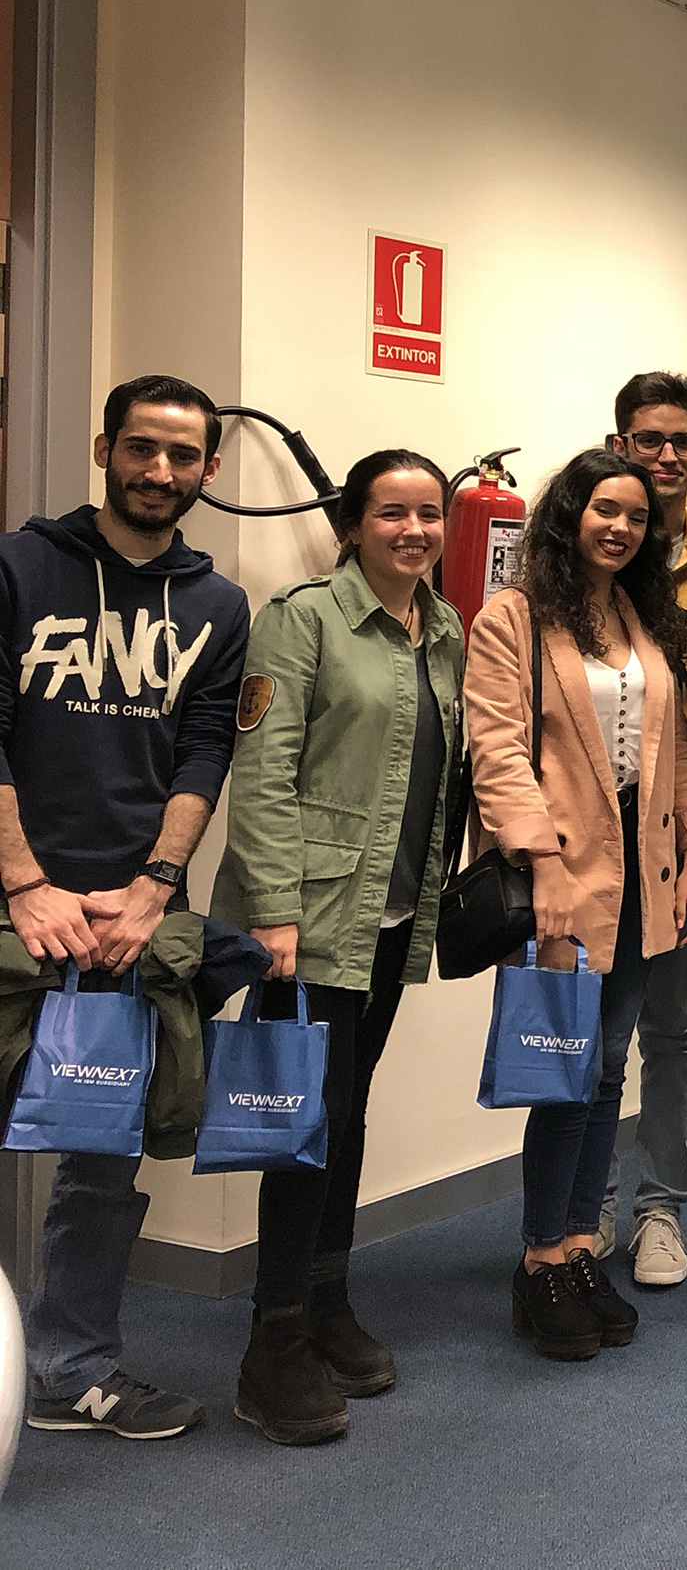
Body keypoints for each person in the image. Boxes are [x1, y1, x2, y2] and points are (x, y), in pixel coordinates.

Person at [4, 376, 250, 1441]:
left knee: (101, 1151)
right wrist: (24, 884)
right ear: (105, 447)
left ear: (209, 469)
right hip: (13, 906)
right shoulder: (20, 566)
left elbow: (206, 748)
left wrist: (153, 889)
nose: (160, 472)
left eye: (182, 456)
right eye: (142, 449)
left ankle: (72, 1367)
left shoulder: (218, 603)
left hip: (133, 924)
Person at [210, 450, 464, 1443]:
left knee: (345, 1116)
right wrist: (273, 912)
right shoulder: (304, 617)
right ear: (354, 523)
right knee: (298, 1128)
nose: (413, 530)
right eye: (393, 513)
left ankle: (326, 1303)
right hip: (308, 925)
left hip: (391, 919)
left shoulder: (439, 630)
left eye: (428, 514)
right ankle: (270, 1346)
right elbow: (263, 773)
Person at [465, 449, 687, 1361]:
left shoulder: (639, 616)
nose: (620, 527)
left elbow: (676, 751)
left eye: (637, 517)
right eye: (604, 509)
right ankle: (540, 1259)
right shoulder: (513, 617)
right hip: (565, 877)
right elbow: (497, 751)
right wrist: (544, 867)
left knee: (607, 1067)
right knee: (565, 1069)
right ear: (569, 513)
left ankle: (580, 1245)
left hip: (645, 879)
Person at [599, 370, 687, 1291]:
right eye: (649, 440)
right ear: (620, 442)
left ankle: (659, 1208)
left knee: (671, 1029)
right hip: (590, 841)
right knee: (591, 1030)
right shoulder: (580, 556)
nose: (667, 456)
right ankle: (584, 1200)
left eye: (682, 441)